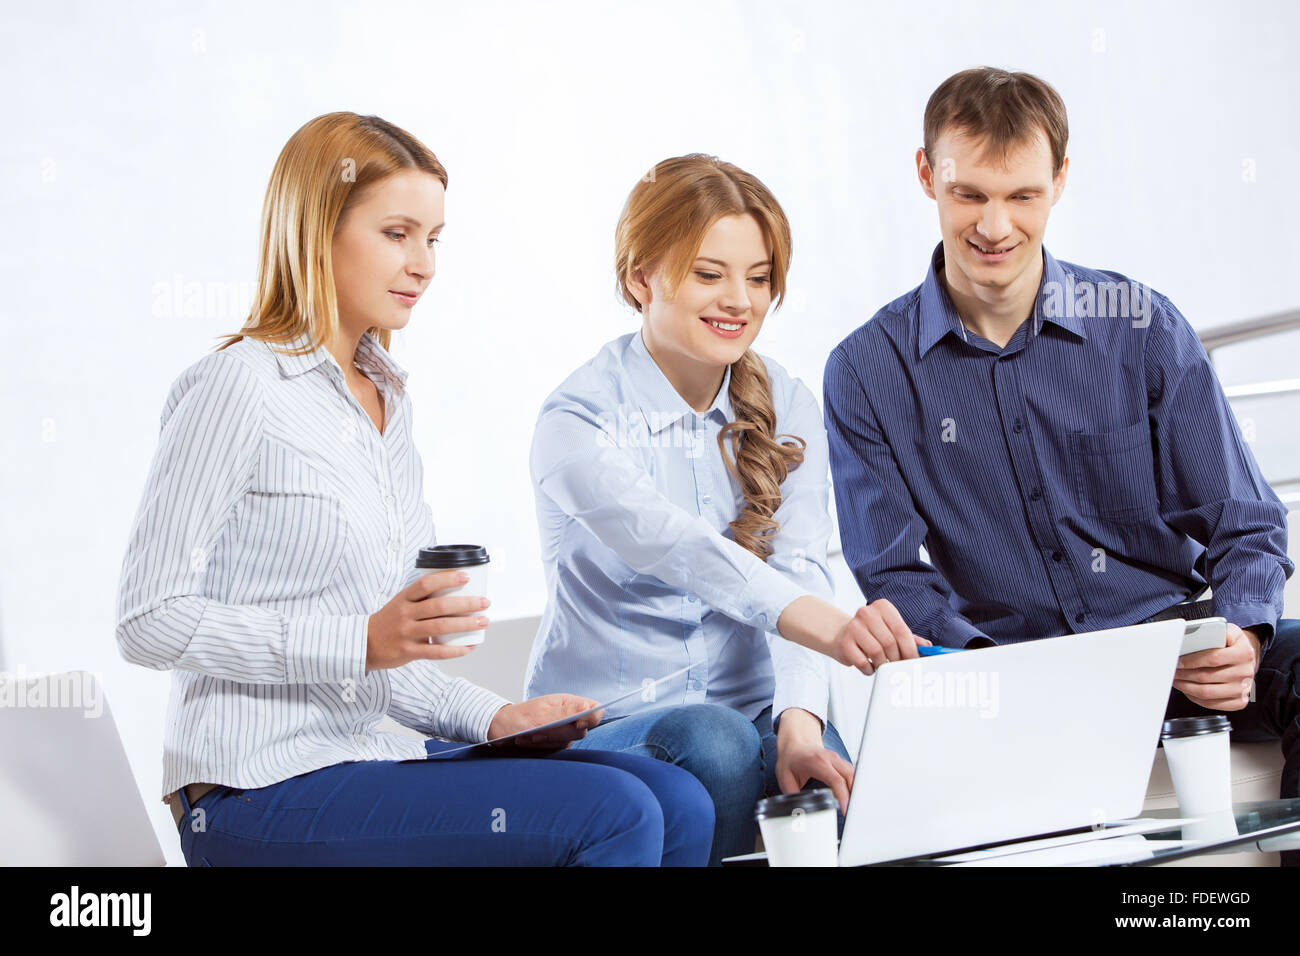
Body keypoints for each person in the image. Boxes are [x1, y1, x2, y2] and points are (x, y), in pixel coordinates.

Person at [115, 112, 714, 866]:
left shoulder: (387, 401)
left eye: (434, 239)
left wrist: (501, 718)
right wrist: (357, 640)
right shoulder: (237, 386)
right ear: (317, 229)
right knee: (616, 812)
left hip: (373, 755)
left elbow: (389, 667)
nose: (424, 264)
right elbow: (147, 619)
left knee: (677, 799)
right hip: (253, 791)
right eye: (398, 234)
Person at [823, 67, 1299, 864]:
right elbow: (894, 575)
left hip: (1168, 650)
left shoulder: (1140, 328)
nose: (994, 225)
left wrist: (1244, 640)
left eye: (1023, 196)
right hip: (1007, 679)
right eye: (969, 194)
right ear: (925, 175)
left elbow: (1243, 521)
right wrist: (996, 683)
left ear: (1061, 182)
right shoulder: (867, 370)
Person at [525, 153, 928, 865]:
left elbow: (800, 564)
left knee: (832, 786)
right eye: (710, 273)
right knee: (715, 742)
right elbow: (677, 549)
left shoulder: (789, 403)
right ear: (640, 276)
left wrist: (801, 725)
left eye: (760, 277)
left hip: (756, 718)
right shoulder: (576, 420)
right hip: (610, 724)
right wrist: (834, 631)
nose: (739, 299)